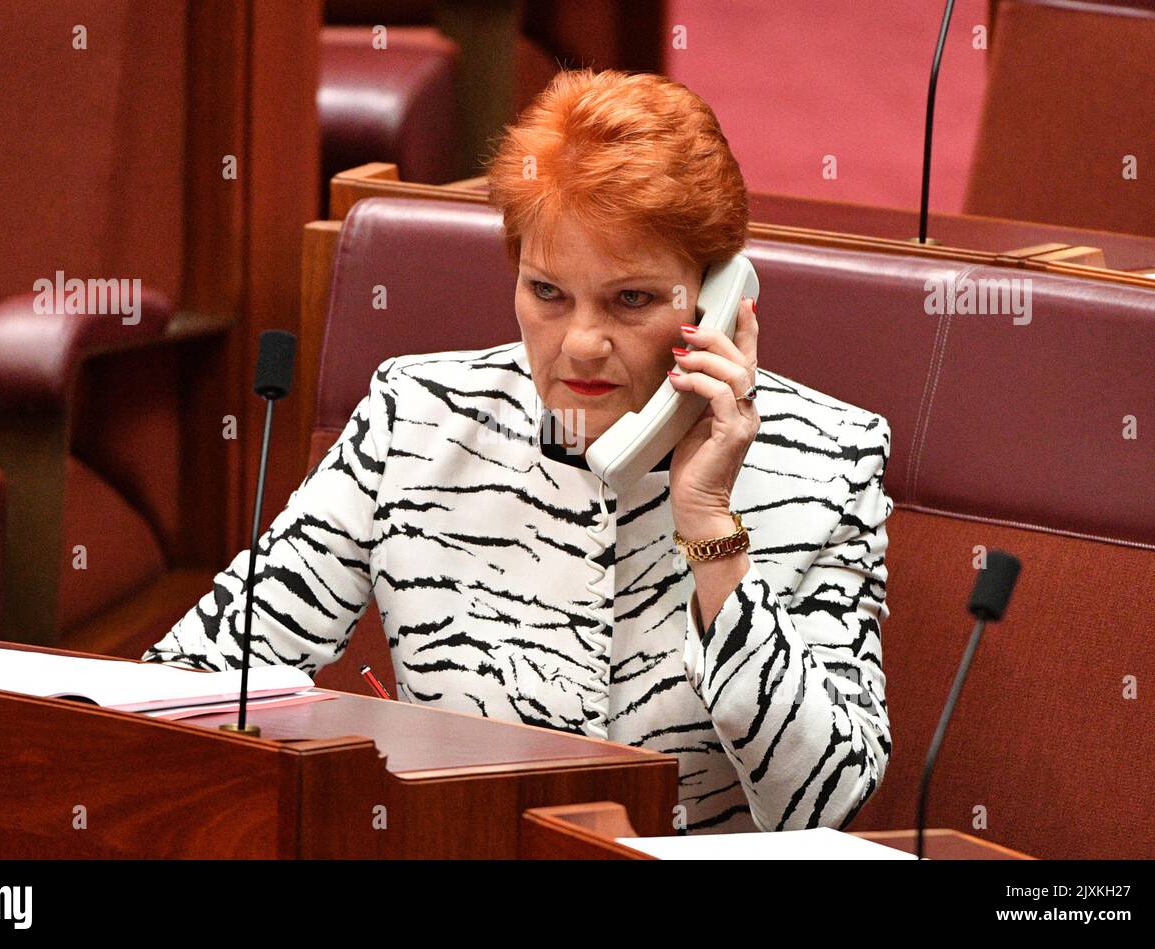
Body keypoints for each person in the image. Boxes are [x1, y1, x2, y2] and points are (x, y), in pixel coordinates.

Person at [143, 68, 893, 835]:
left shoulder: (828, 462)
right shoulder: (418, 417)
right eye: (547, 292)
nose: (580, 344)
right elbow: (188, 685)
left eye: (631, 298)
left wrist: (709, 527)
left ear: (717, 295)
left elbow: (824, 803)